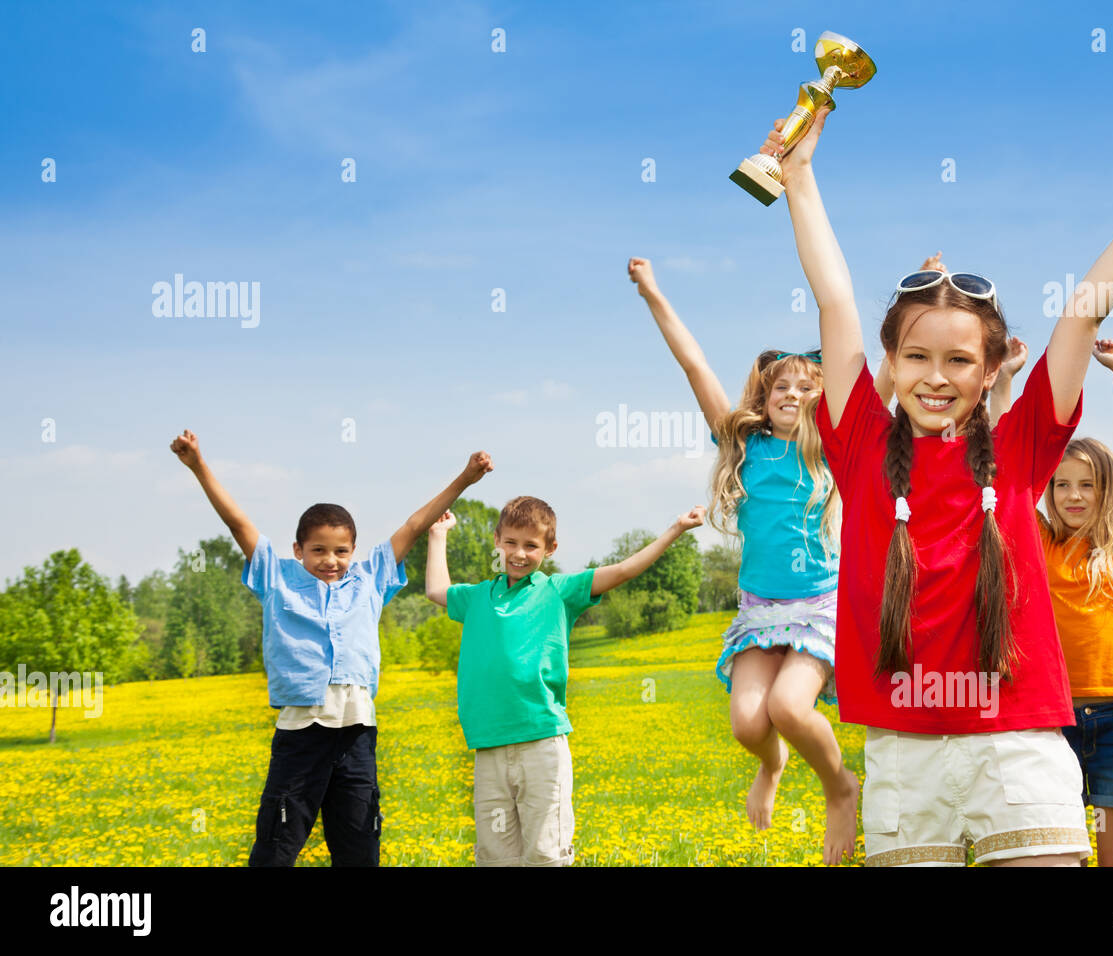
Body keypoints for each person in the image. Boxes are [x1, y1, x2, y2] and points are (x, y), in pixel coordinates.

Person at [765, 110, 1113, 866]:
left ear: (992, 369)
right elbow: (835, 301)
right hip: (904, 755)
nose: (936, 378)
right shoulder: (860, 440)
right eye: (917, 357)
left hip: (1020, 747)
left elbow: (1085, 306)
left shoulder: (1022, 446)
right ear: (891, 363)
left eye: (961, 361)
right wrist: (800, 179)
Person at [628, 256, 868, 865]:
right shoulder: (743, 442)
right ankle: (773, 764)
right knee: (748, 725)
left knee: (790, 706)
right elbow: (693, 363)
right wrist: (653, 291)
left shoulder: (834, 450)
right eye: (780, 386)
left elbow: (881, 371)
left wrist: (918, 293)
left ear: (822, 396)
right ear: (765, 396)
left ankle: (842, 787)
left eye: (805, 385)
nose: (791, 393)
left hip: (818, 603)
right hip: (760, 608)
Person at [169, 428, 492, 865]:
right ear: (297, 549)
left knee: (360, 844)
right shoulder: (276, 577)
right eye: (318, 549)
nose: (330, 560)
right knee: (276, 845)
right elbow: (238, 524)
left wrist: (465, 479)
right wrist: (198, 466)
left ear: (354, 550)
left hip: (357, 734)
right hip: (302, 734)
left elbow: (416, 525)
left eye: (341, 550)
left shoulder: (370, 577)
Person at [426, 495, 705, 866]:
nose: (519, 553)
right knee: (494, 856)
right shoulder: (478, 597)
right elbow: (435, 590)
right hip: (488, 746)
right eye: (510, 542)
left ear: (550, 548)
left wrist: (676, 529)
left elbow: (623, 570)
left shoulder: (559, 591)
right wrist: (438, 534)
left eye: (531, 545)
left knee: (545, 852)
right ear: (496, 540)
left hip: (541, 743)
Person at [992, 338, 1113, 866]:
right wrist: (1004, 383)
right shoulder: (1039, 542)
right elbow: (1007, 465)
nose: (1073, 495)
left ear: (1105, 489)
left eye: (1086, 484)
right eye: (1062, 484)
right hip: (1049, 722)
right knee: (1060, 856)